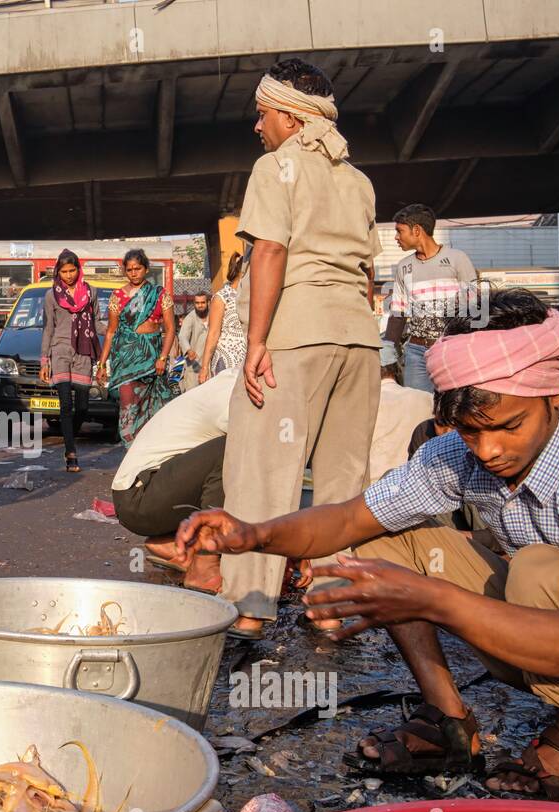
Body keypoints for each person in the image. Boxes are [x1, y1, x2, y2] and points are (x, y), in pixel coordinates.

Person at [176, 289, 559, 800]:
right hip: (557, 639)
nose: (488, 451)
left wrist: (434, 599)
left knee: (537, 569)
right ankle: (449, 723)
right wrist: (253, 534)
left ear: (554, 396)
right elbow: (352, 517)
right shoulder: (457, 455)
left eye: (509, 427)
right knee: (390, 537)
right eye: (468, 432)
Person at [219, 58, 382, 639]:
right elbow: (367, 274)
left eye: (262, 114)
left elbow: (269, 252)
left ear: (289, 117)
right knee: (344, 484)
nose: (257, 126)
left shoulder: (276, 167)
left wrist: (256, 341)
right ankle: (337, 611)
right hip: (360, 340)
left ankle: (250, 604)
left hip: (297, 333)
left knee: (263, 472)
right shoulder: (359, 181)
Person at [112, 369, 234, 593]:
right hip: (140, 496)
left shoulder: (237, 382)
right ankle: (204, 564)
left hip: (148, 496)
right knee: (233, 449)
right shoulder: (236, 394)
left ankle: (179, 545)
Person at [386, 203, 479, 392]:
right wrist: (387, 348)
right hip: (415, 353)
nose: (396, 237)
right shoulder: (403, 267)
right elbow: (398, 312)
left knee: (452, 409)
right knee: (418, 410)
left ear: (417, 230)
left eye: (399, 231)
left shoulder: (457, 259)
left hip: (451, 350)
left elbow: (476, 308)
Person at [96, 249, 176, 446]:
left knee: (152, 409)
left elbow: (171, 328)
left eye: (137, 268)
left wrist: (163, 358)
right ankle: (131, 453)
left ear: (146, 269)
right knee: (128, 409)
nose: (133, 273)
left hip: (152, 360)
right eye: (129, 269)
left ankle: (150, 455)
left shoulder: (159, 294)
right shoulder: (117, 297)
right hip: (125, 360)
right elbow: (111, 332)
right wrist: (102, 364)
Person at [40, 251, 100, 471]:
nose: (68, 275)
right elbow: (48, 329)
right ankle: (71, 452)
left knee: (83, 407)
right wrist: (44, 360)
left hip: (83, 351)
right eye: (63, 271)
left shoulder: (91, 292)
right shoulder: (51, 296)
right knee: (66, 404)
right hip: (60, 351)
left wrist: (119, 328)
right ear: (58, 271)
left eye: (72, 270)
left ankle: (69, 437)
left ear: (78, 269)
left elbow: (96, 323)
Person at [370, 340, 435, 482]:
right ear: (397, 369)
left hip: (369, 489)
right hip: (415, 485)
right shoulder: (427, 399)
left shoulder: (363, 404)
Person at [203, 251, 249, 376]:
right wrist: (204, 367)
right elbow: (213, 333)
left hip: (248, 359)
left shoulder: (252, 296)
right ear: (243, 272)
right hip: (226, 360)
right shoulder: (222, 297)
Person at [176, 292, 211, 391]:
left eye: (203, 302)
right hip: (194, 365)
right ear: (194, 304)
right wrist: (188, 350)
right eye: (197, 303)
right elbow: (182, 336)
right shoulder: (190, 318)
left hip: (210, 364)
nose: (200, 305)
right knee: (192, 396)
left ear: (207, 302)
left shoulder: (213, 316)